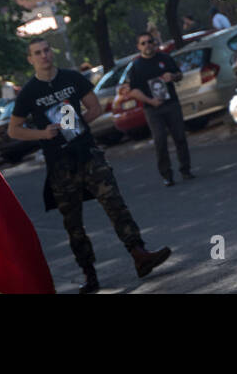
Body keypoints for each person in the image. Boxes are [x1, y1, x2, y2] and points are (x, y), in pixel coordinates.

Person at [9, 38, 172, 293]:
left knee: (115, 203)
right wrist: (44, 134)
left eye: (47, 50)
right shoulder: (29, 92)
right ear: (30, 59)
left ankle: (139, 253)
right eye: (37, 53)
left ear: (52, 52)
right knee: (73, 223)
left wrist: (76, 126)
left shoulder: (72, 78)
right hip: (60, 165)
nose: (44, 56)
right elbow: (14, 130)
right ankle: (89, 273)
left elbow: (95, 107)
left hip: (87, 153)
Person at [121, 32, 193, 186]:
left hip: (171, 104)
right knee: (160, 140)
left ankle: (185, 169)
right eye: (143, 43)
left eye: (149, 41)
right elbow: (133, 90)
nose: (147, 45)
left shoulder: (165, 58)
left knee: (180, 137)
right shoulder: (137, 66)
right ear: (138, 47)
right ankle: (167, 175)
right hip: (152, 109)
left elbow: (180, 74)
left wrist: (172, 77)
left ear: (154, 43)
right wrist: (150, 101)